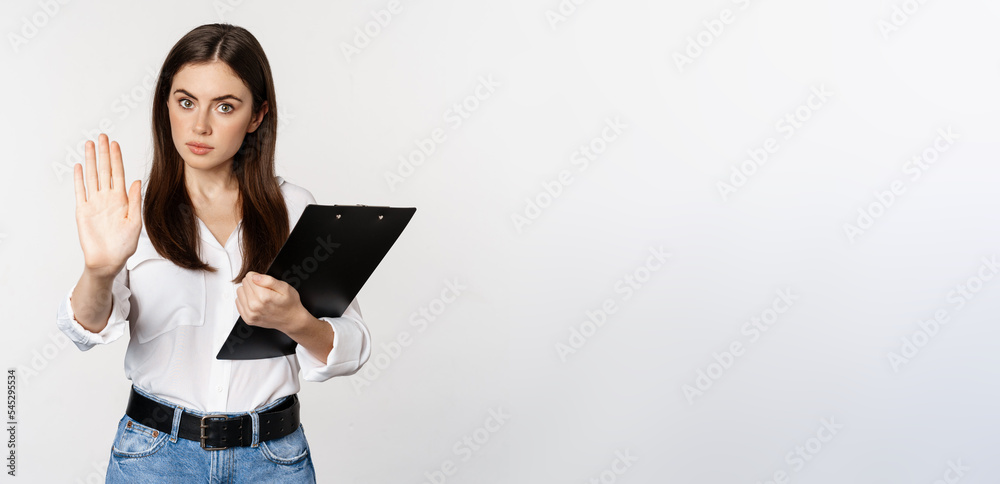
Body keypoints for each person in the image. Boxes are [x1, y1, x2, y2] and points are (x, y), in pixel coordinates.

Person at [54, 23, 371, 483]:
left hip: (273, 460)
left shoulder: (296, 208)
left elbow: (354, 344)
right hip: (154, 459)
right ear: (167, 104)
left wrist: (295, 321)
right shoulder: (131, 213)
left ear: (257, 116)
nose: (200, 125)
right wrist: (99, 271)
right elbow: (84, 330)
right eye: (186, 102)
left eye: (225, 106)